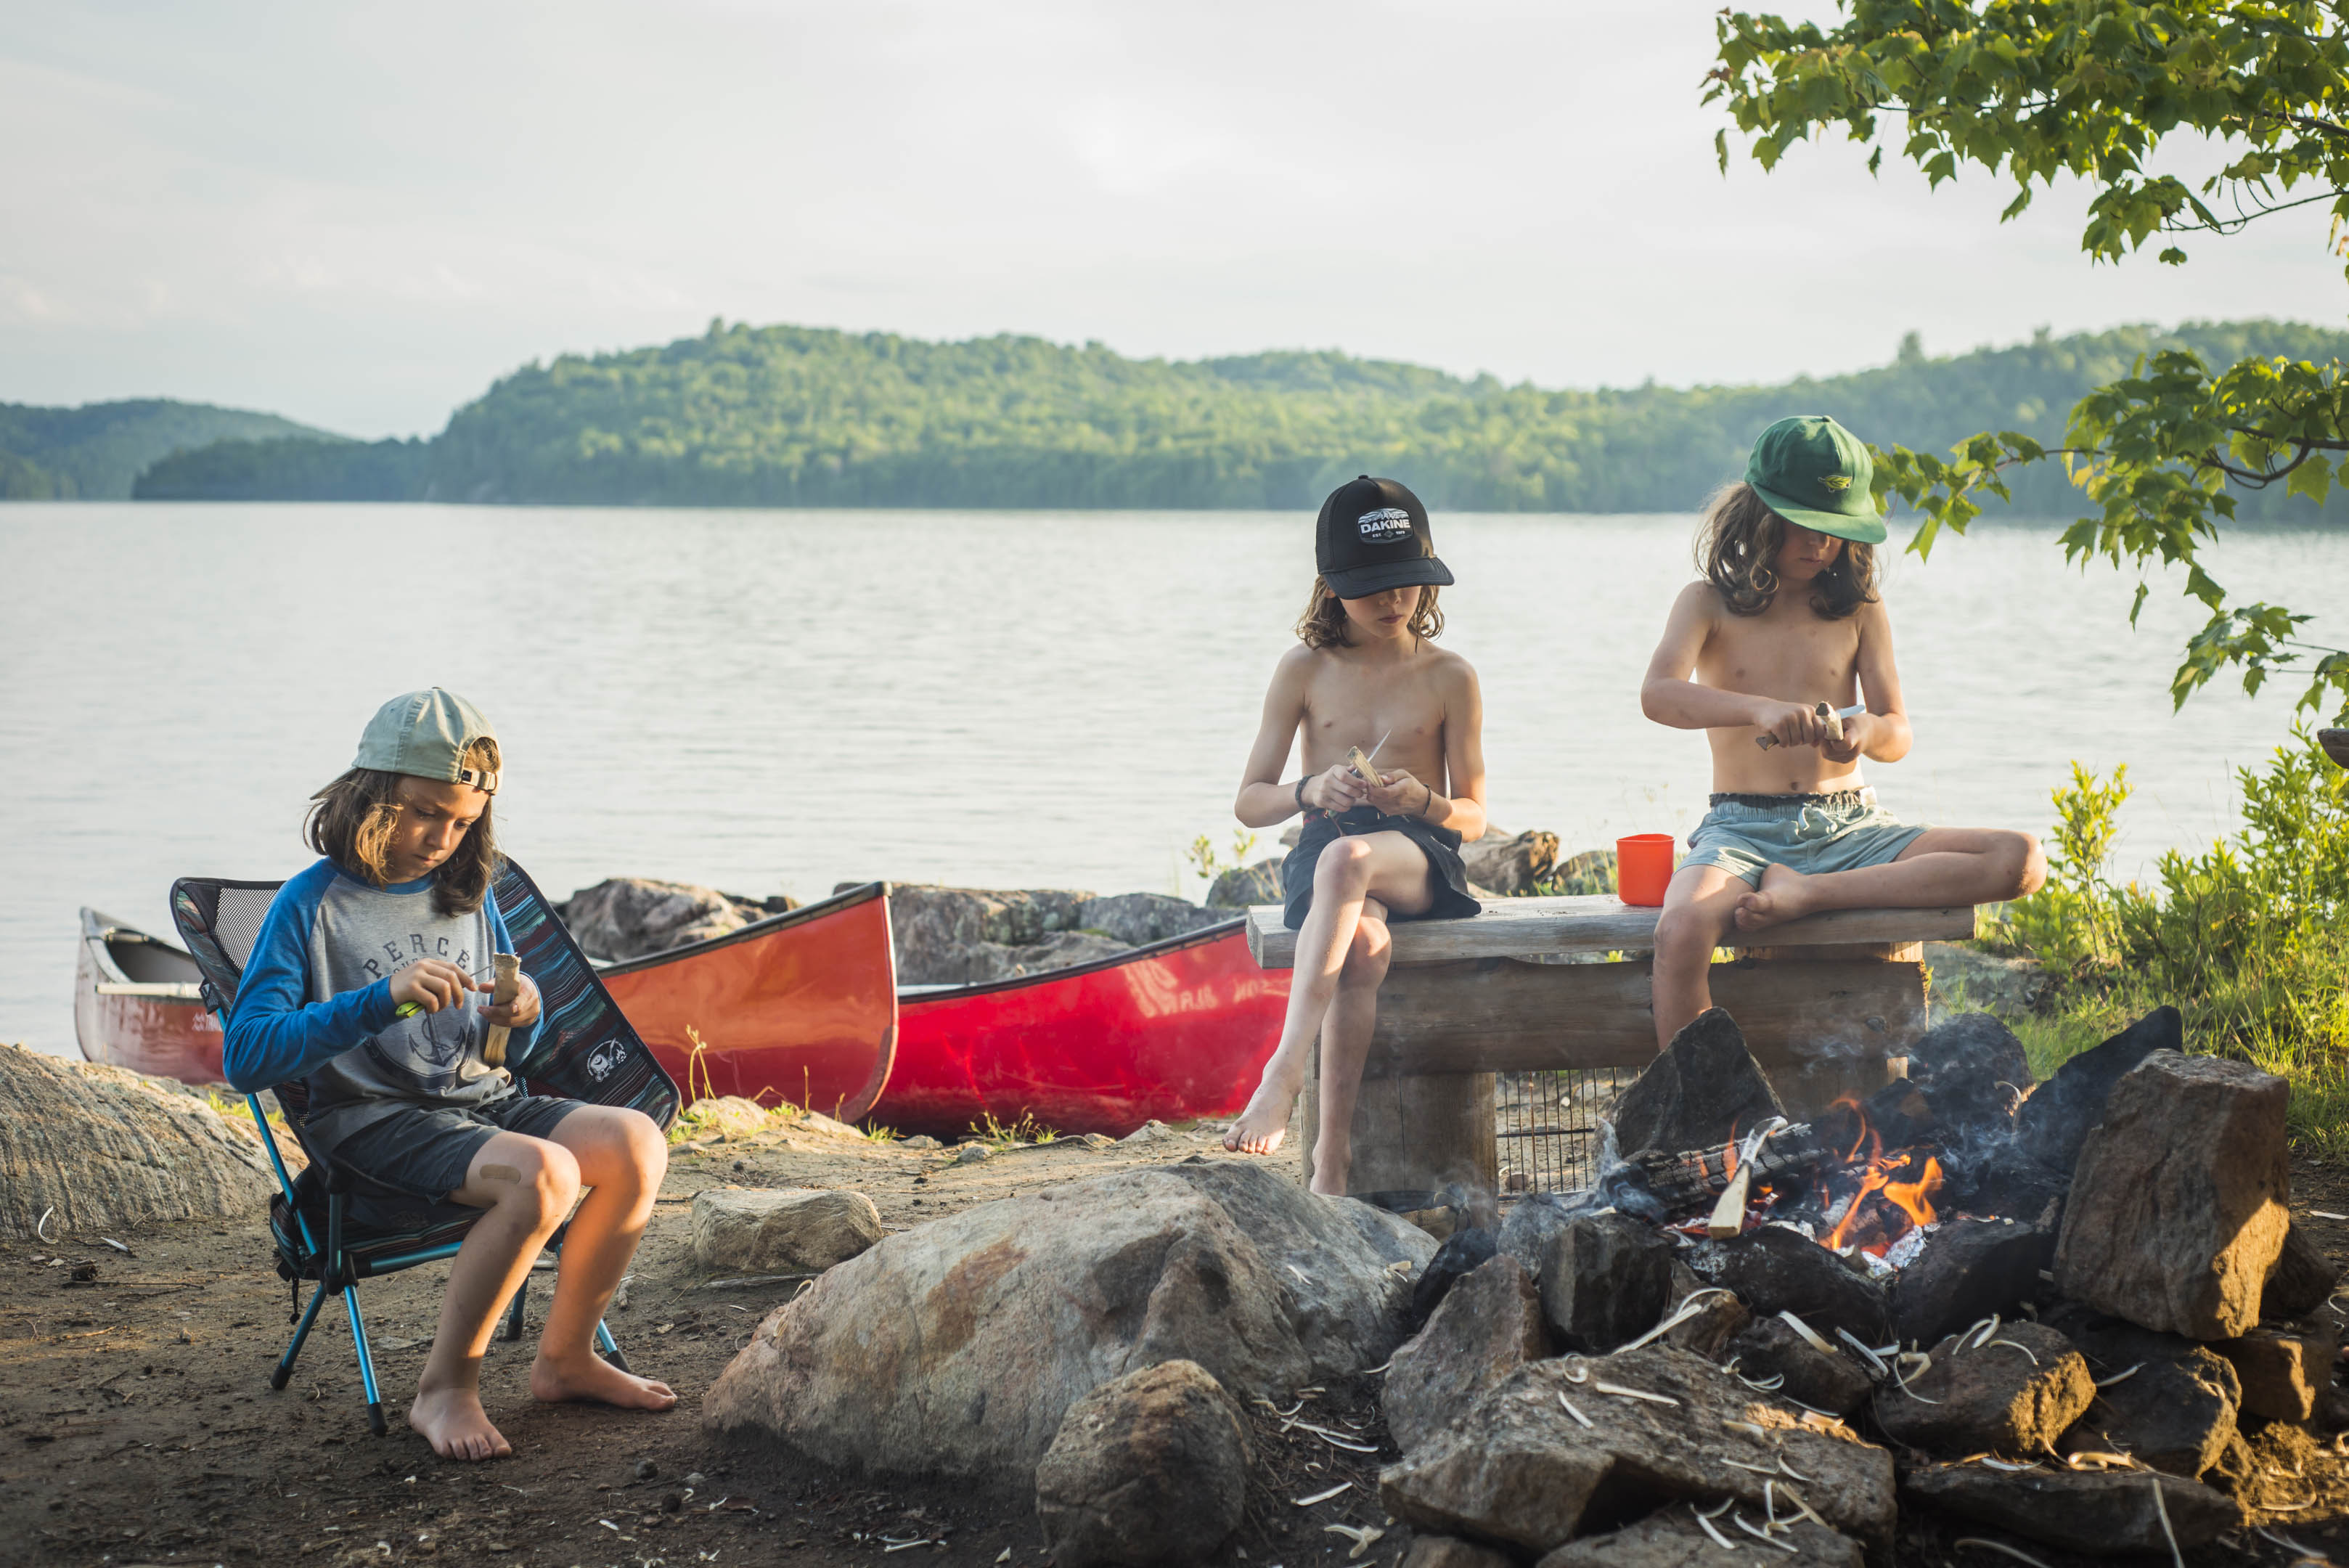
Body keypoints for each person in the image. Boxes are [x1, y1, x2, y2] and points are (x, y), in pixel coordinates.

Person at [224, 689, 674, 1461]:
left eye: (464, 821)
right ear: (370, 796)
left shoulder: (468, 891)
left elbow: (503, 1058)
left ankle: (566, 1360)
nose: (442, 838)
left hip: (481, 1102)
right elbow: (247, 1055)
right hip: (372, 1123)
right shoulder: (311, 904)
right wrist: (377, 1001)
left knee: (636, 1143)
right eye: (425, 813)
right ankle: (444, 1390)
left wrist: (518, 1015)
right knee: (543, 1175)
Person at [1638, 416, 2046, 1049]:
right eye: (1804, 523)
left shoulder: (1860, 610)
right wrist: (1758, 710)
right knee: (1681, 930)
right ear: (1759, 515)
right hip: (1742, 828)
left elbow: (1897, 732)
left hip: (1851, 825)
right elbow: (1658, 696)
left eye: (1835, 527)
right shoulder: (1706, 602)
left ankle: (1809, 893)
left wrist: (1861, 732)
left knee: (2019, 858)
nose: (1821, 542)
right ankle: (1694, 1100)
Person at [1222, 476, 1488, 1193]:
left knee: (1350, 859)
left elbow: (1474, 815)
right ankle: (1331, 1161)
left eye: (1405, 581)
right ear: (1332, 585)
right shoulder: (1304, 669)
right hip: (1327, 845)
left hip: (1416, 853)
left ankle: (1283, 1072)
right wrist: (1309, 789)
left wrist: (1423, 799)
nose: (1392, 600)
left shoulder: (1450, 675)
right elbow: (1249, 803)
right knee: (1363, 946)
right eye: (1371, 587)